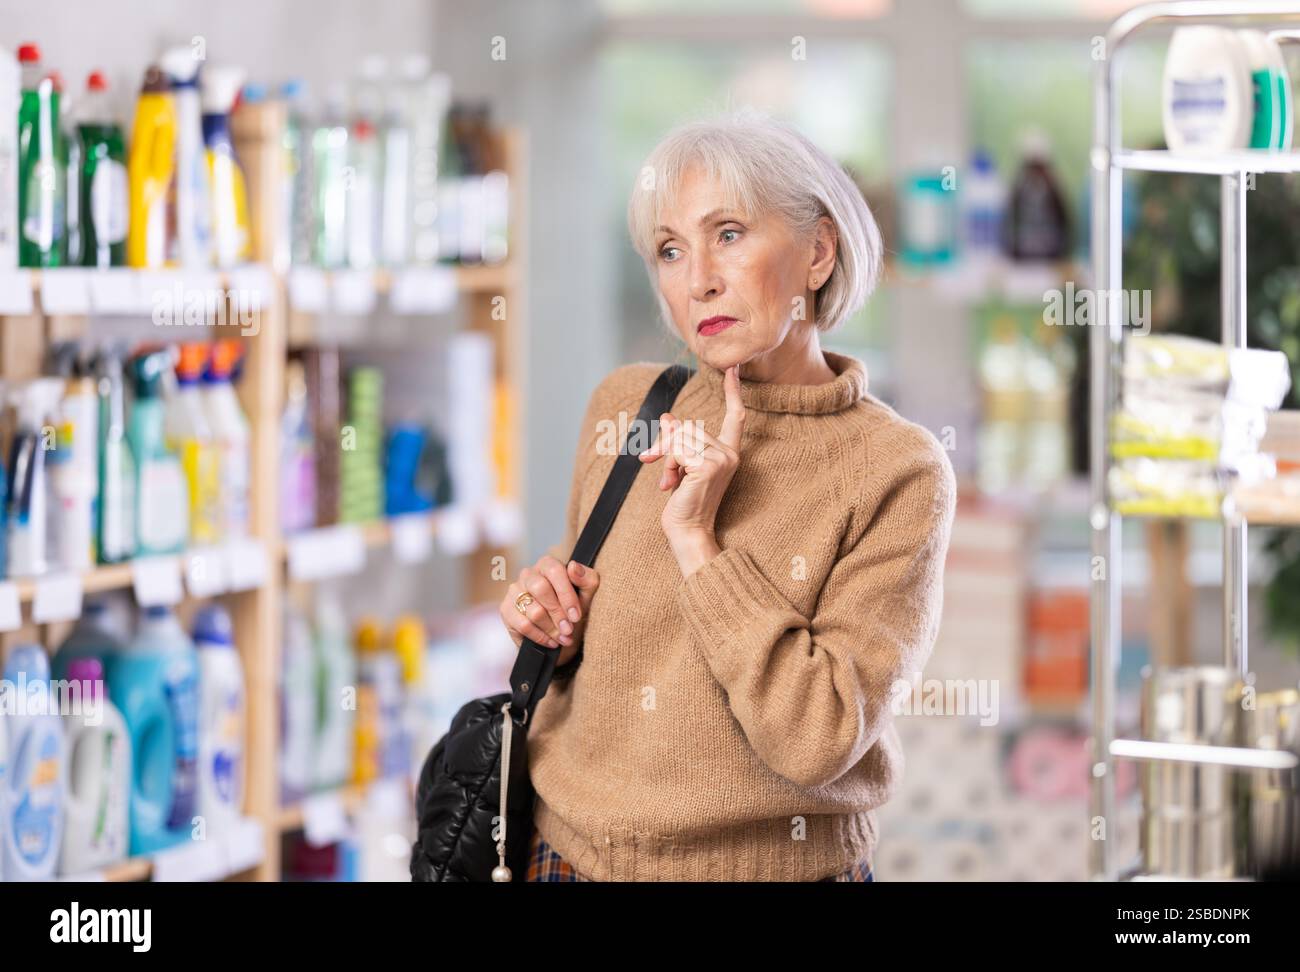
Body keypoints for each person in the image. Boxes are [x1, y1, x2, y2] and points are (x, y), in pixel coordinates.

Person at [501, 108, 957, 882]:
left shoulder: (898, 470)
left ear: (818, 251)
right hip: (564, 857)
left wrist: (700, 545)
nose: (698, 277)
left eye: (731, 234)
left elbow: (816, 738)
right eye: (670, 250)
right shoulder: (630, 404)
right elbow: (596, 618)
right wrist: (549, 614)